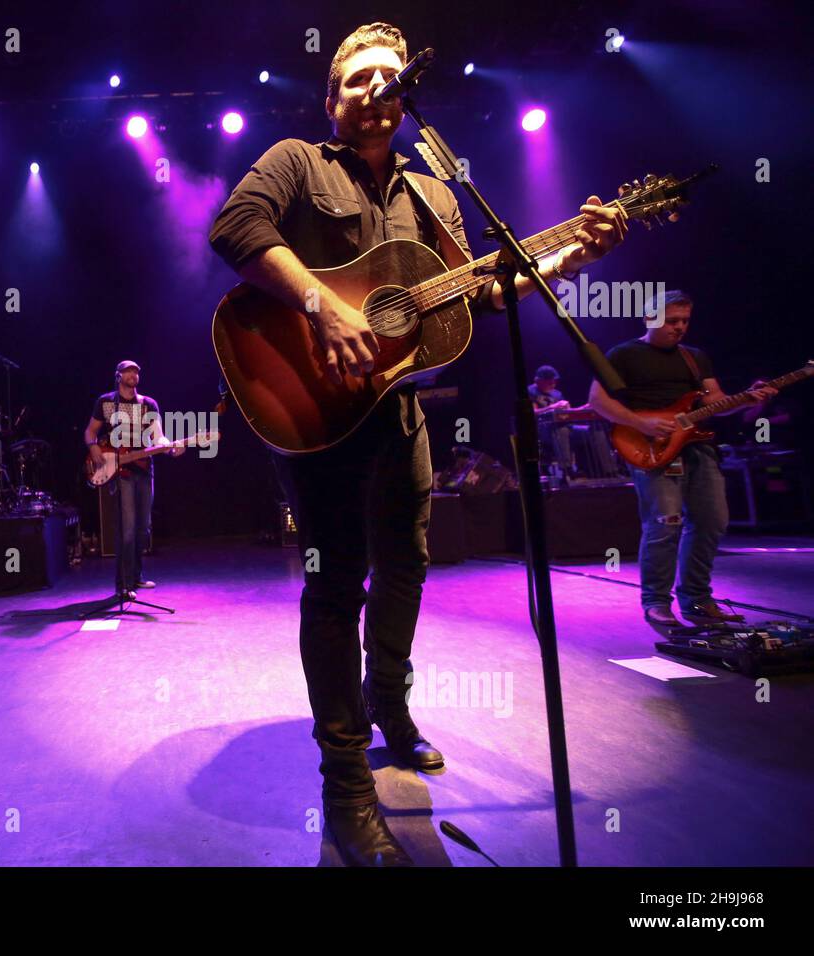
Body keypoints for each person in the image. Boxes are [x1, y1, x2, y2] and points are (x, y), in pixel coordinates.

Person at [208, 21, 627, 865]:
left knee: (407, 565)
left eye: (391, 76)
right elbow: (235, 228)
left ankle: (388, 705)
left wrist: (568, 250)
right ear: (333, 98)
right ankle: (346, 780)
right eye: (359, 76)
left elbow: (485, 292)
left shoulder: (436, 193)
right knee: (334, 590)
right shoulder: (298, 160)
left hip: (398, 412)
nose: (377, 87)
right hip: (316, 417)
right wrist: (324, 306)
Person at [588, 291, 777, 628]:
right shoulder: (624, 355)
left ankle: (697, 598)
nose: (680, 328)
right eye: (672, 321)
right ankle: (656, 602)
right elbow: (597, 401)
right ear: (650, 319)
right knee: (665, 522)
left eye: (685, 321)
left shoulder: (694, 358)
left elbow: (715, 401)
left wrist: (747, 400)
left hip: (696, 445)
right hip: (650, 445)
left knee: (712, 520)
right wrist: (640, 422)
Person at [83, 361, 182, 599]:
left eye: (136, 372)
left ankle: (136, 576)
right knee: (126, 529)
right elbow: (90, 431)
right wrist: (93, 447)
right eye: (128, 371)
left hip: (144, 469)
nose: (133, 375)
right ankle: (123, 585)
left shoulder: (148, 404)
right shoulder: (106, 402)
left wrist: (169, 448)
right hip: (121, 472)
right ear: (118, 376)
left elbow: (158, 437)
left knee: (142, 529)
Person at [529, 365, 576, 477]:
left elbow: (566, 413)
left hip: (563, 425)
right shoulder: (530, 391)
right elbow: (533, 412)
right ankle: (567, 470)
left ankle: (605, 471)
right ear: (539, 381)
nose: (553, 385)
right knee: (561, 431)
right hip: (541, 429)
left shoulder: (557, 394)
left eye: (554, 382)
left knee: (588, 431)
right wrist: (552, 407)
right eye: (550, 382)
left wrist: (569, 408)